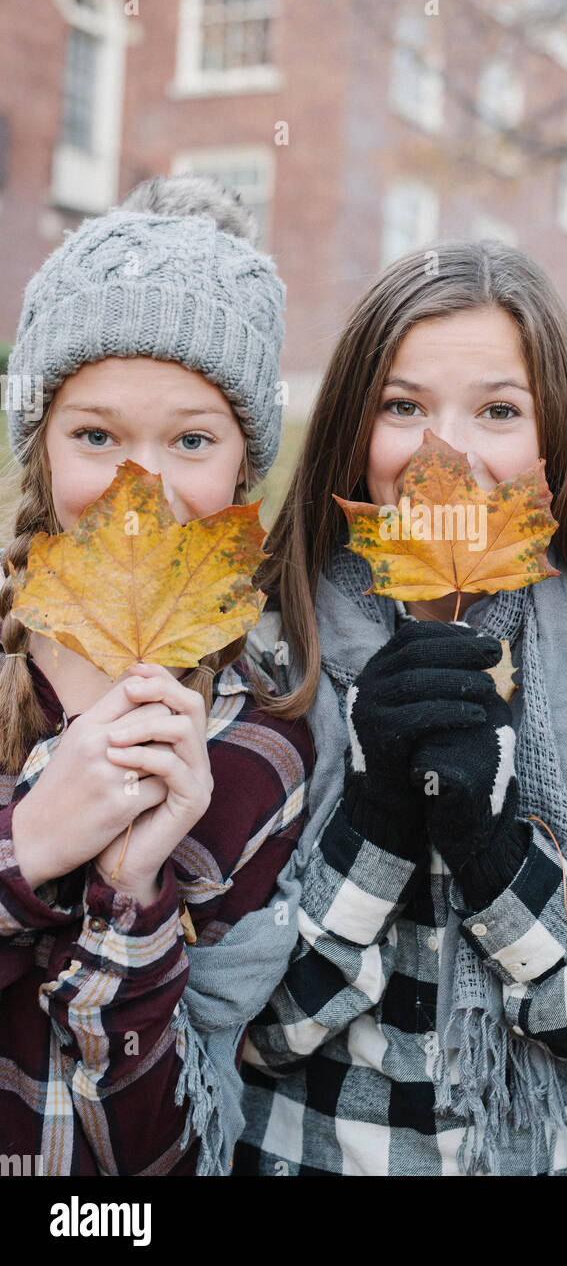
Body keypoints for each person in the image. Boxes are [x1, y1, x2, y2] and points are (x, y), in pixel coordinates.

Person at [227, 240, 567, 1177]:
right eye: (403, 407)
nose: (448, 452)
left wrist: (495, 855)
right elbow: (244, 1030)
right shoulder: (269, 647)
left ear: (550, 440)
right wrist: (373, 824)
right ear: (353, 433)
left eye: (497, 410)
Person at [0, 175, 313, 1175]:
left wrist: (133, 891)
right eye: (96, 434)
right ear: (39, 450)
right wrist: (35, 841)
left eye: (190, 438)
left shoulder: (265, 739)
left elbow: (170, 1140)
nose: (143, 484)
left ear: (241, 468)